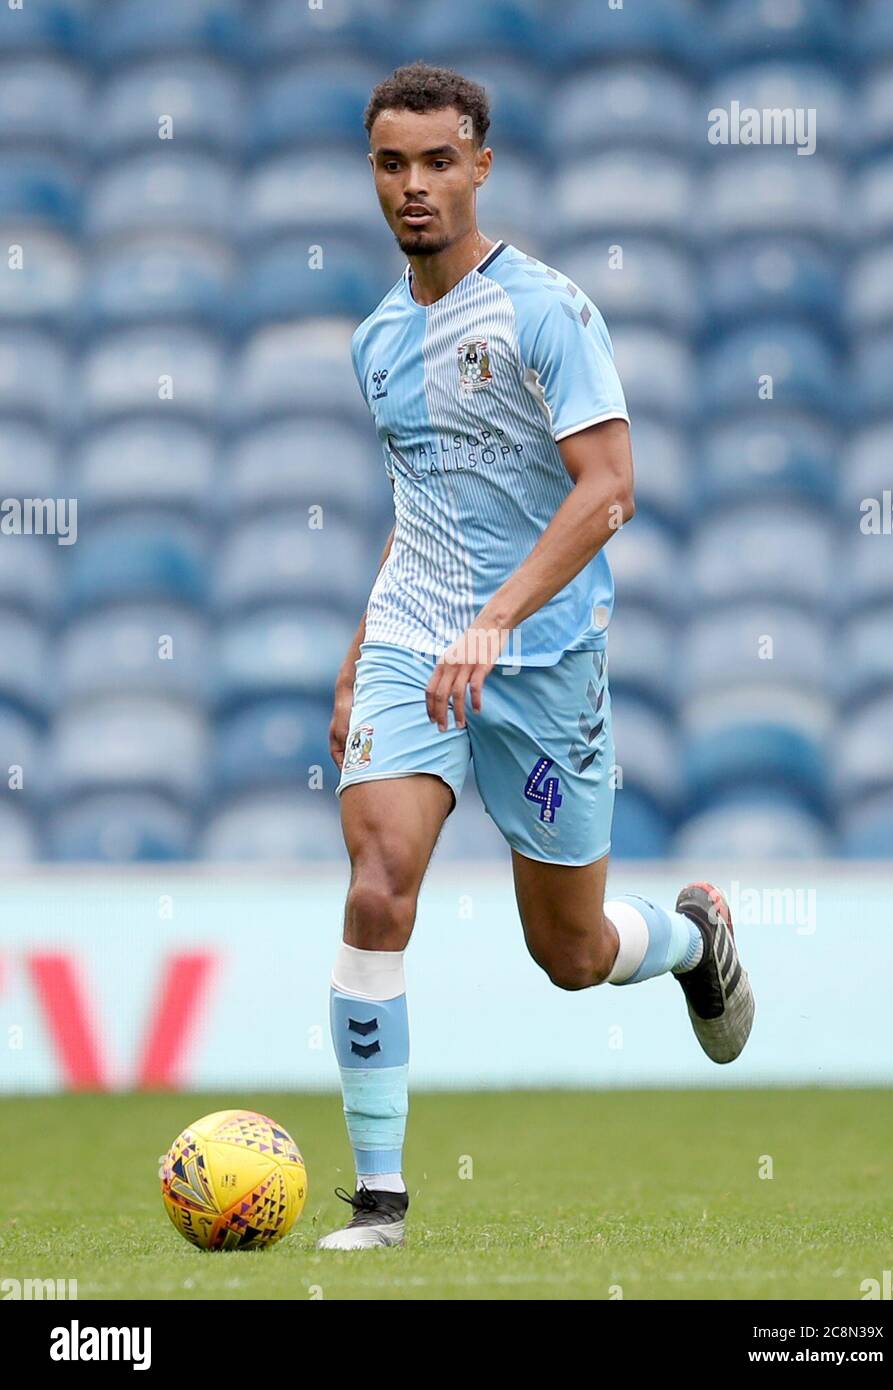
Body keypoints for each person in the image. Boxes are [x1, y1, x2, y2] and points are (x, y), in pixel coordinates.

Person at [318, 62, 754, 1251]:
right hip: (419, 643)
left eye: (438, 161)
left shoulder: (545, 311)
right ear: (373, 172)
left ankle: (689, 936)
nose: (415, 186)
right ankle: (381, 1204)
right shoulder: (372, 340)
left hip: (543, 655)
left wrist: (499, 618)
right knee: (377, 882)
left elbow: (609, 489)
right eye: (392, 164)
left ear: (482, 167)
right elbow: (417, 508)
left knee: (569, 950)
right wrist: (365, 651)